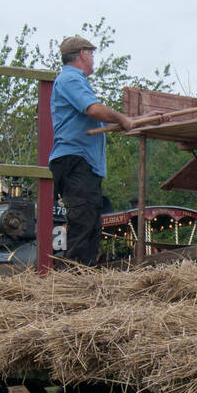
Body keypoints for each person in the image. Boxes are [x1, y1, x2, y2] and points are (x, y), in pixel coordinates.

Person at [49, 35, 134, 266]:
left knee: (92, 224)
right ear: (83, 54)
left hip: (80, 160)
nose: (94, 59)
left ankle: (83, 275)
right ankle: (75, 280)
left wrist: (136, 120)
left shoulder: (73, 81)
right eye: (92, 54)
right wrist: (123, 118)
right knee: (83, 222)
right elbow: (94, 110)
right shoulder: (71, 78)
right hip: (77, 160)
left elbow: (100, 121)